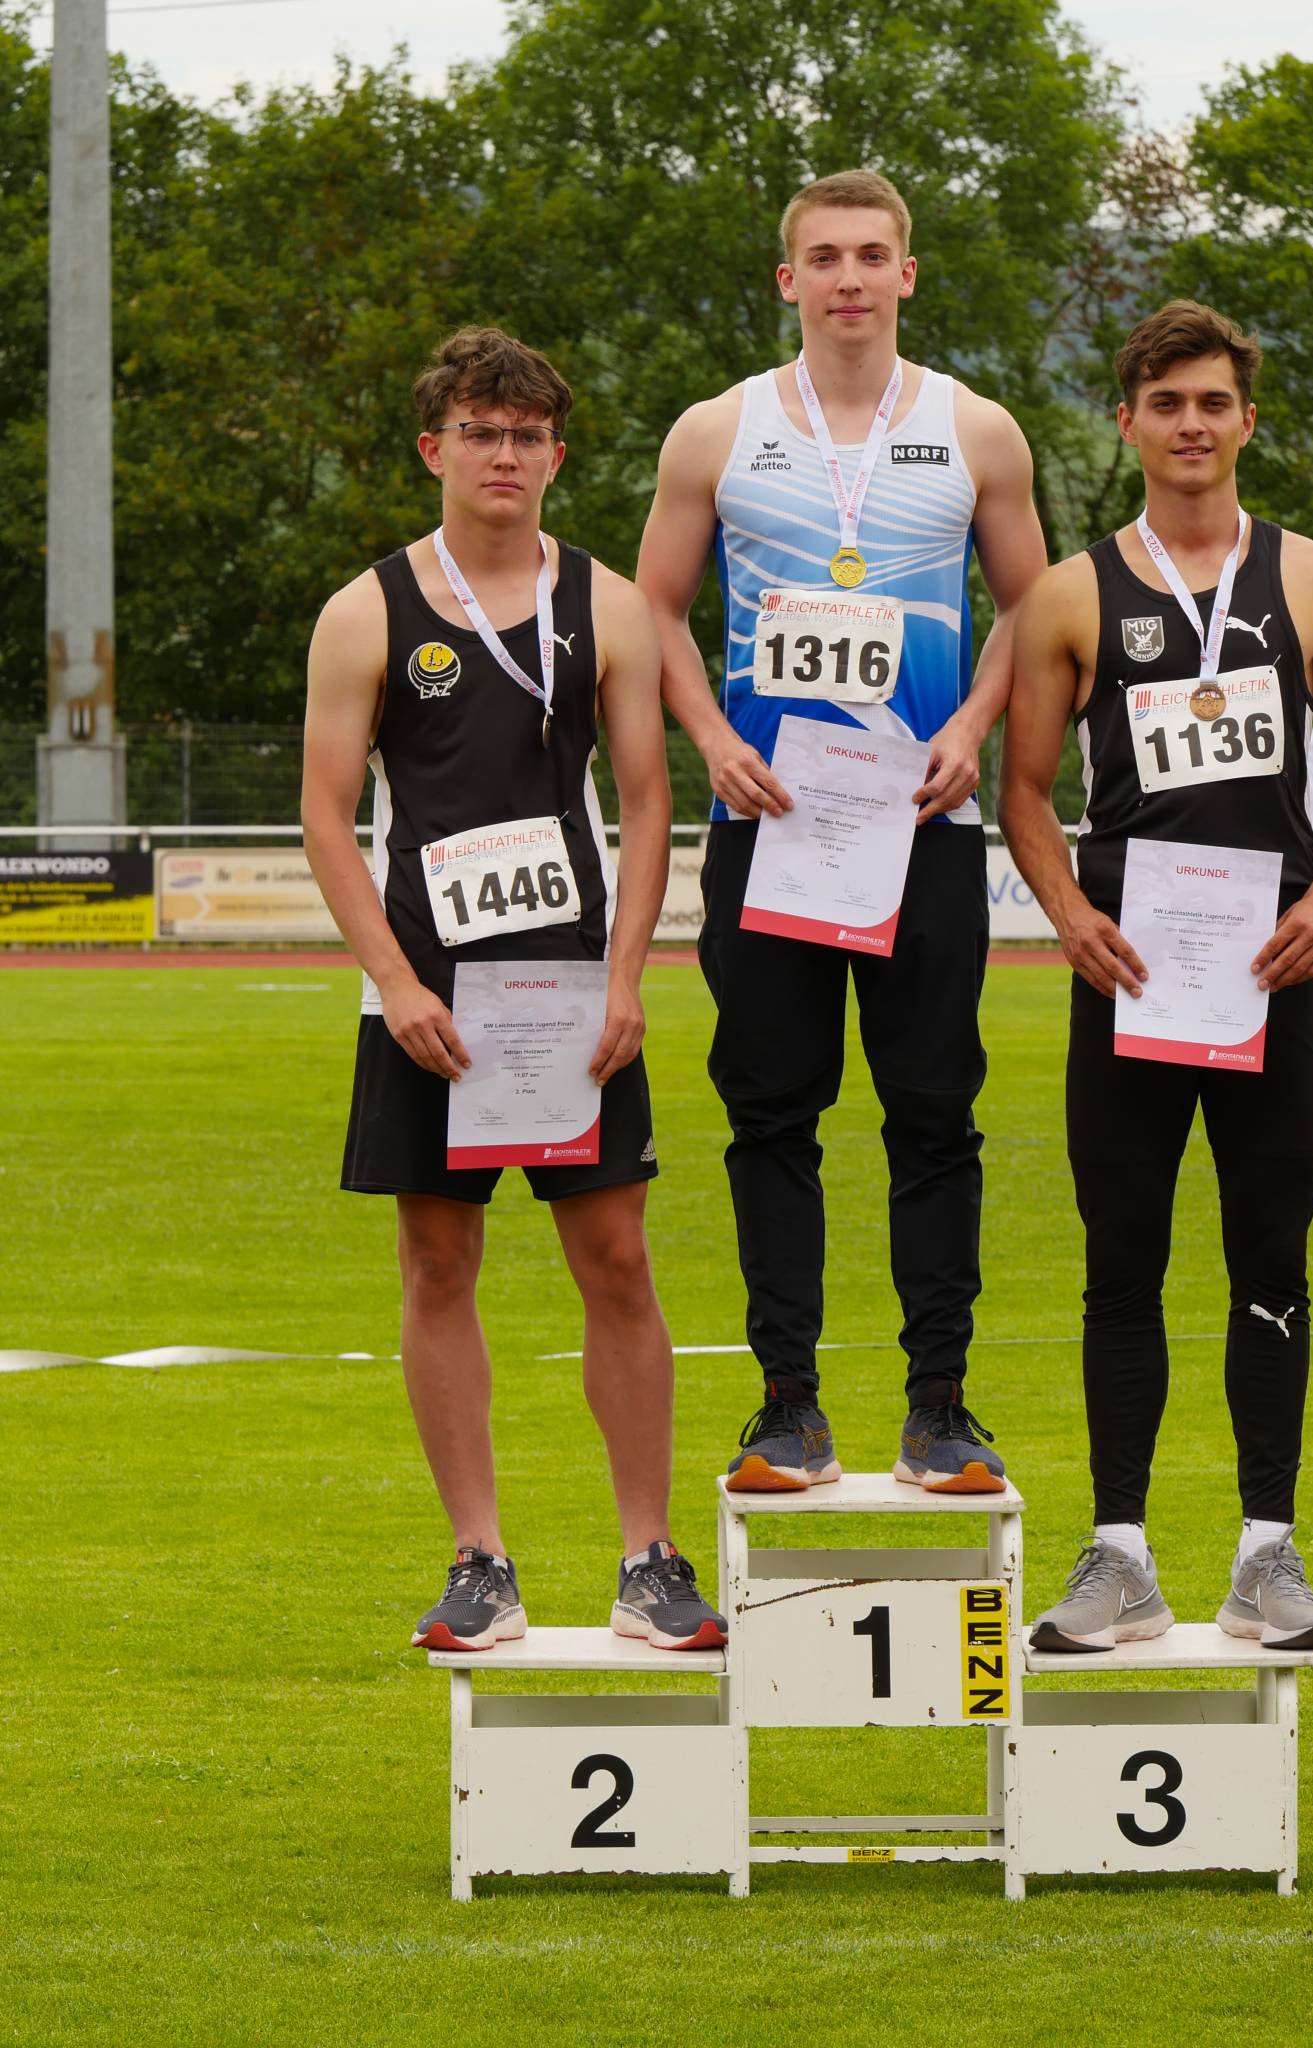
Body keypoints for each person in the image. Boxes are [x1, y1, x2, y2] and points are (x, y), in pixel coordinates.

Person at [302, 326, 725, 1653]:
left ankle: (650, 1559)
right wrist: (393, 984)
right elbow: (324, 814)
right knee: (439, 1260)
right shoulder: (368, 610)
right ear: (434, 448)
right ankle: (479, 1560)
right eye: (480, 432)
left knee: (618, 1260)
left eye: (526, 435)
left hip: (571, 989)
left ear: (556, 455)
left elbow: (648, 802)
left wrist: (628, 975)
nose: (504, 454)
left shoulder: (607, 603)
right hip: (427, 997)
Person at [636, 169, 1046, 1493]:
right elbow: (652, 611)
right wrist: (712, 738)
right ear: (789, 280)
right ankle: (787, 1407)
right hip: (769, 822)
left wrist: (973, 725)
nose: (850, 278)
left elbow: (1034, 610)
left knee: (935, 1116)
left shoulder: (978, 430)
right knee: (771, 1119)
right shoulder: (717, 431)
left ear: (907, 274)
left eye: (872, 254)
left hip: (922, 823)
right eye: (825, 257)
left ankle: (941, 1408)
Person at [999, 300, 1313, 1651]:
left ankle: (1268, 1557)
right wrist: (1070, 917)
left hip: (1273, 973)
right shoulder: (1071, 595)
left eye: (1213, 401)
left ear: (1247, 420)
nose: (1191, 424)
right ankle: (1118, 1557)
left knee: (1270, 1255)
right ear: (1127, 422)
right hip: (1133, 972)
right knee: (1124, 1262)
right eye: (1165, 403)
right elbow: (1025, 790)